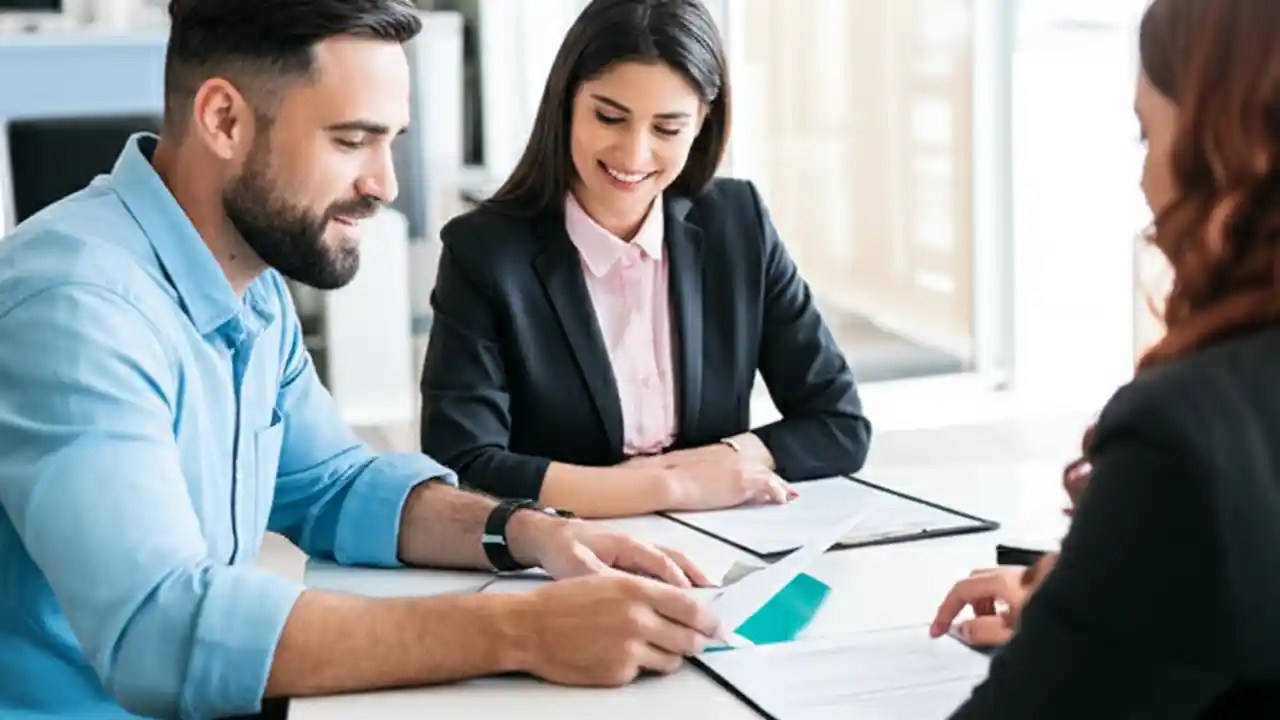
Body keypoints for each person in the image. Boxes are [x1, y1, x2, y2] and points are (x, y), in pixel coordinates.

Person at [0, 2, 727, 718]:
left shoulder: (246, 283)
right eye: (353, 140)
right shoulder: (75, 308)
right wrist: (526, 631)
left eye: (391, 142)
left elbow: (334, 486)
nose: (386, 183)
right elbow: (159, 635)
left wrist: (534, 532)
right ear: (223, 120)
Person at [934, 0, 1280, 715]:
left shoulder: (1189, 432)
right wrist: (1086, 608)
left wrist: (1082, 622)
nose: (1145, 180)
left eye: (1146, 135)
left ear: (1225, 150)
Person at [420, 0, 872, 519]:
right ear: (566, 102)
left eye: (667, 129)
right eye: (609, 117)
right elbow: (461, 463)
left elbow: (839, 424)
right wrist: (668, 488)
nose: (633, 155)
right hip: (563, 552)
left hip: (718, 546)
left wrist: (718, 462)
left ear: (703, 121)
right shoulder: (483, 252)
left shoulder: (737, 223)